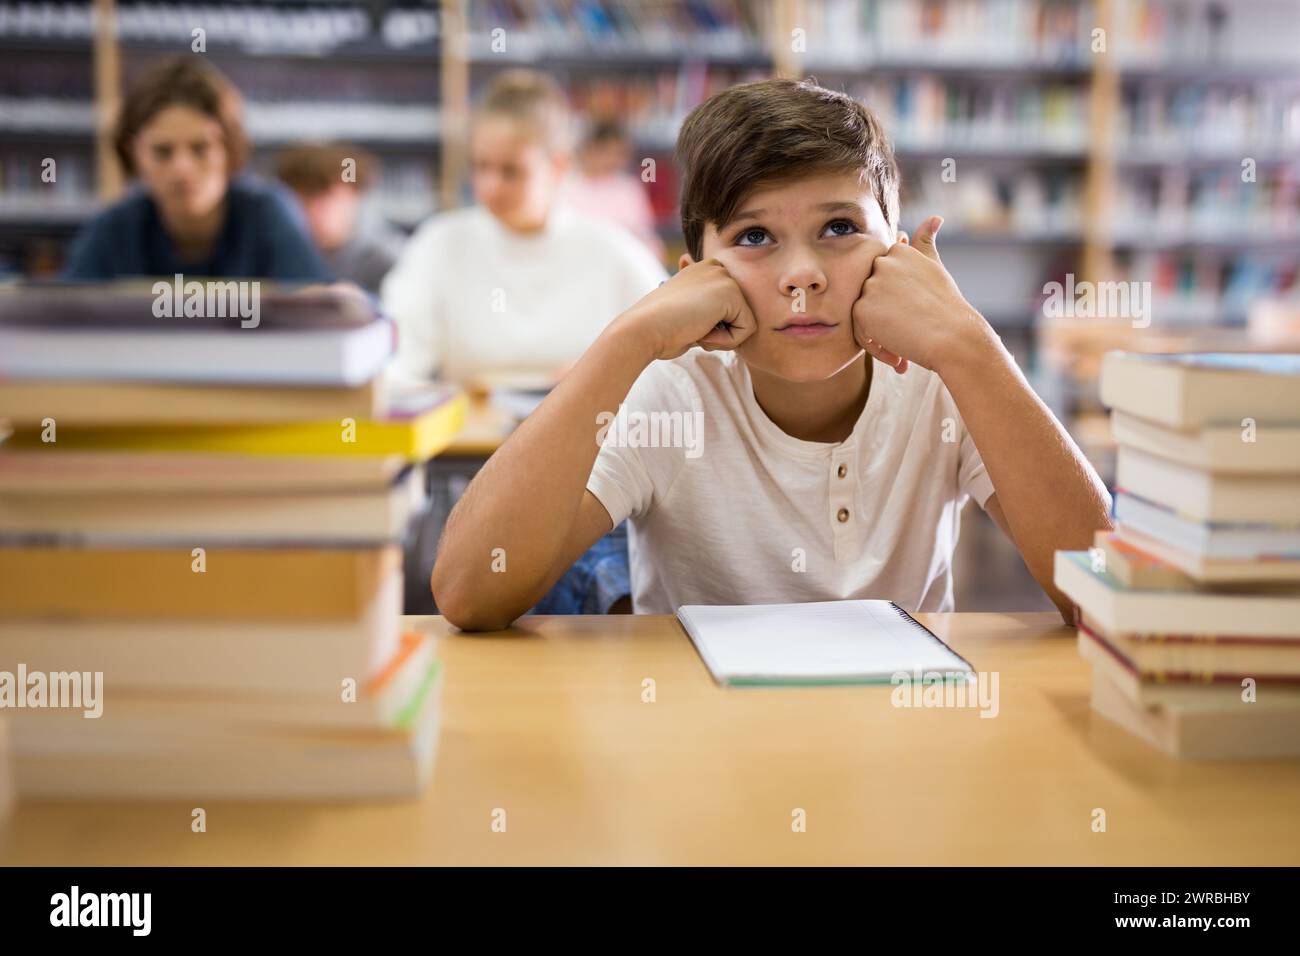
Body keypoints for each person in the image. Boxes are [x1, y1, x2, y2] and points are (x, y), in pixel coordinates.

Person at [431, 78, 1114, 630]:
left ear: (898, 253)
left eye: (839, 227)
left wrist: (970, 346)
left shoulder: (947, 381)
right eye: (754, 237)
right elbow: (467, 592)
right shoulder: (673, 390)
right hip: (698, 747)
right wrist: (626, 340)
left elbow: (1105, 597)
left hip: (901, 739)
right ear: (697, 272)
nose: (802, 275)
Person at [380, 70, 666, 386]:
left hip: (591, 432)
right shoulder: (438, 244)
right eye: (480, 166)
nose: (490, 187)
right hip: (470, 434)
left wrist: (611, 376)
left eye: (511, 171)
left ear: (558, 167)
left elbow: (672, 361)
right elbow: (397, 362)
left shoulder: (615, 252)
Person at [62, 58, 330, 282]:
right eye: (162, 151)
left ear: (230, 148)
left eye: (200, 149)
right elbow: (62, 319)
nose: (182, 169)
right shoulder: (113, 229)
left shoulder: (268, 214)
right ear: (134, 153)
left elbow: (322, 310)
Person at [275, 143, 407, 294]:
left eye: (331, 197)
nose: (317, 210)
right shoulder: (277, 250)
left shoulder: (389, 258)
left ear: (356, 195)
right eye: (307, 198)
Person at [558, 117, 663, 258]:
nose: (613, 160)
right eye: (608, 152)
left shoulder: (628, 188)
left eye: (619, 154)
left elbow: (646, 236)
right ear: (590, 149)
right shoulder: (565, 186)